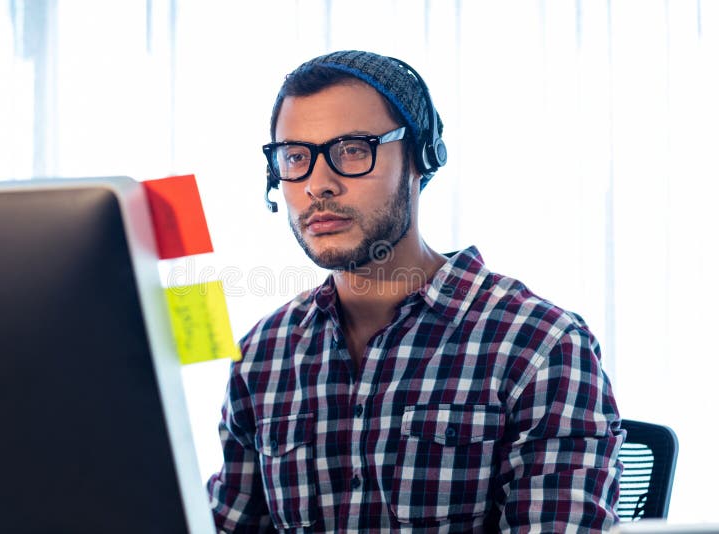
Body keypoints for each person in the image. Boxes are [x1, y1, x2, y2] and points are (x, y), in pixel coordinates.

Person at [207, 50, 623, 533]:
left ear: (420, 158)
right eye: (296, 157)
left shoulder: (541, 347)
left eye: (353, 150)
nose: (319, 184)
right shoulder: (262, 354)